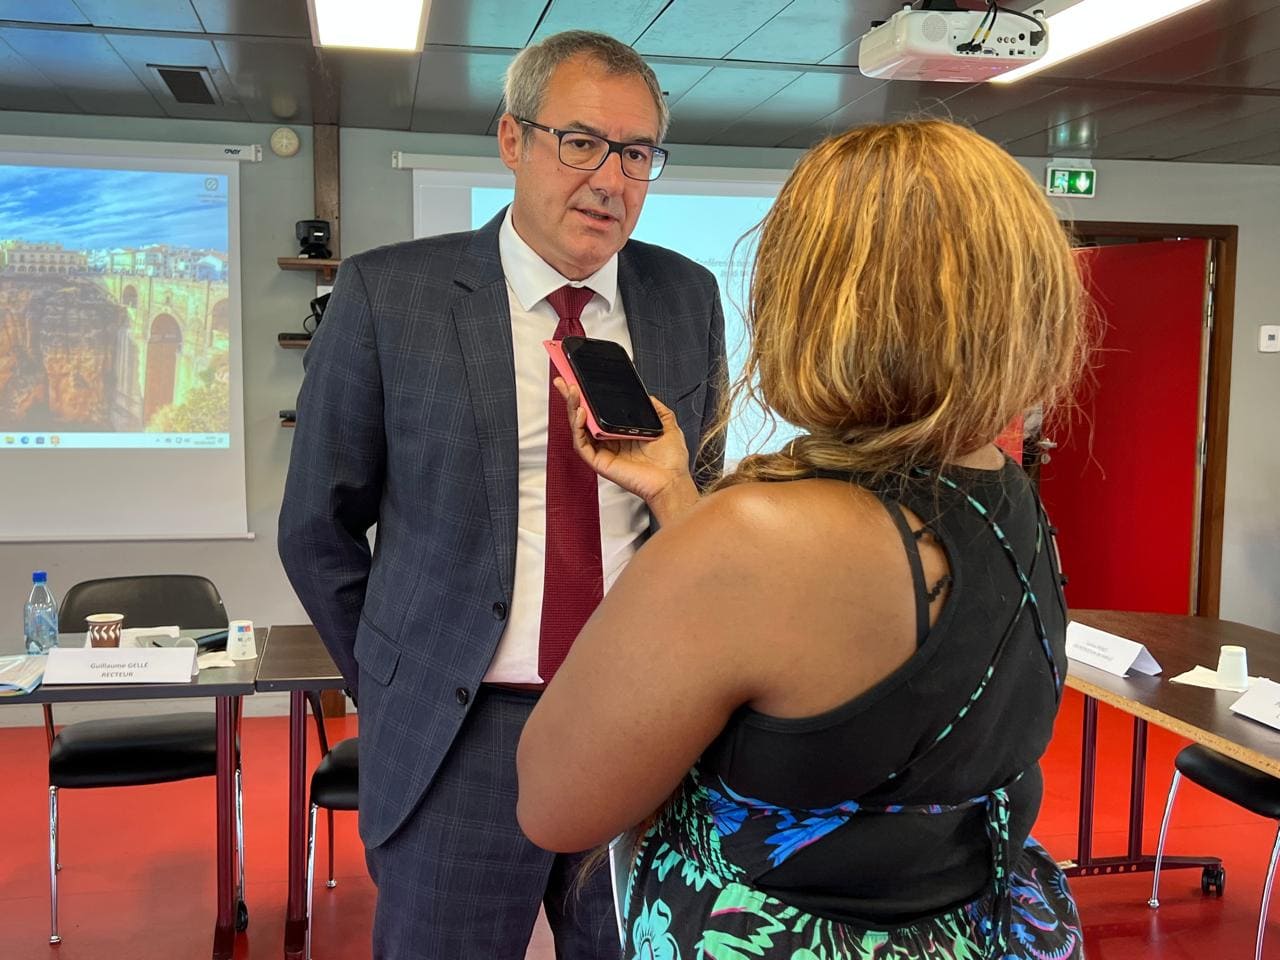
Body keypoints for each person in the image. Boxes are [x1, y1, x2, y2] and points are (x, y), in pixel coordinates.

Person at [517, 119, 1088, 959]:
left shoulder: (757, 539)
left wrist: (700, 529)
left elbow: (555, 804)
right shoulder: (1016, 511)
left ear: (808, 296)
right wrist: (679, 493)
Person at [278, 29, 726, 960]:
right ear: (512, 142)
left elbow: (703, 494)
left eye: (637, 153)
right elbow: (316, 528)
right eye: (581, 142)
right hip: (462, 733)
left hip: (636, 719)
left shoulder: (687, 297)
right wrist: (401, 681)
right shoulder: (387, 296)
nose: (610, 177)